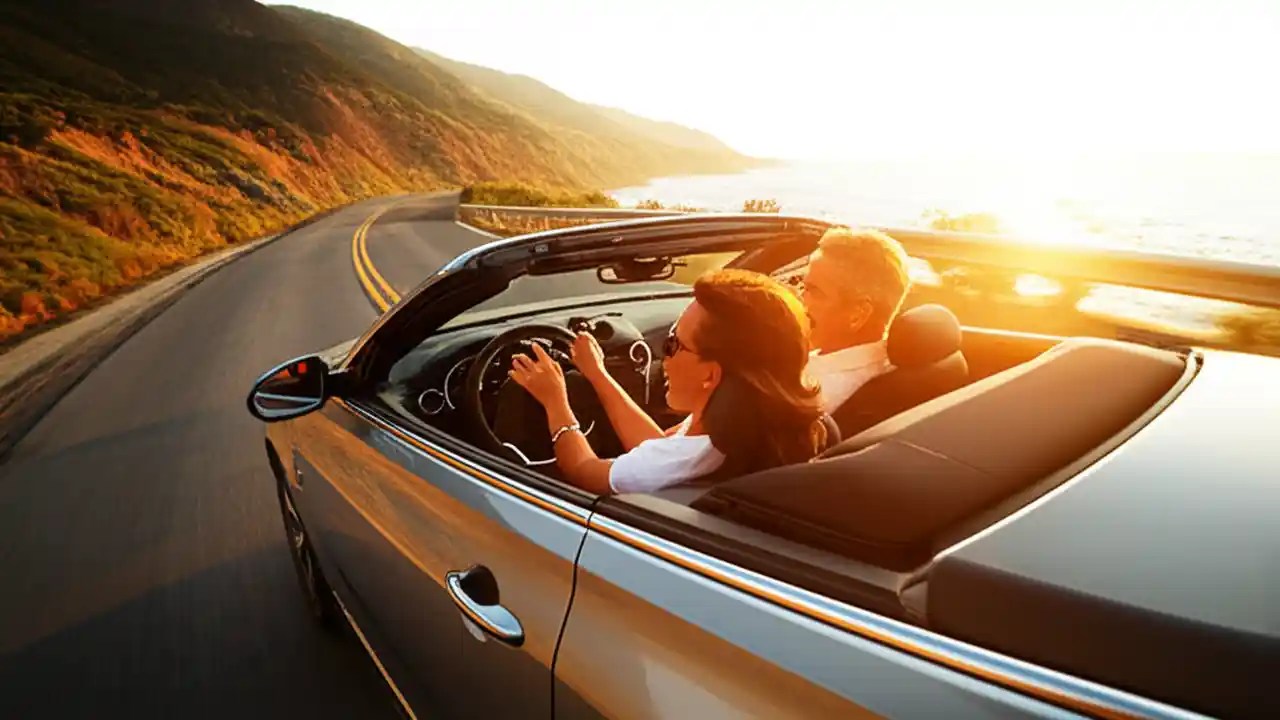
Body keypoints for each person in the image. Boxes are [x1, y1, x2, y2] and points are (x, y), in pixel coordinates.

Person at [509, 269, 826, 495]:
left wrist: (554, 400)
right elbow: (658, 446)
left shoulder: (690, 459)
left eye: (674, 343)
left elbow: (583, 471)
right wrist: (597, 374)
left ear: (710, 375)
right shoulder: (744, 423)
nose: (666, 356)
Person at [799, 226, 911, 414]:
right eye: (802, 287)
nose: (800, 300)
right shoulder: (888, 365)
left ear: (857, 315)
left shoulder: (809, 392)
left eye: (813, 292)